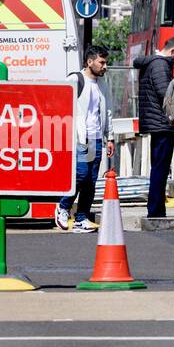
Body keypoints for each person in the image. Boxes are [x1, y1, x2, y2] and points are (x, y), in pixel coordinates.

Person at [56, 46, 112, 233]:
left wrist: (109, 137)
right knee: (80, 176)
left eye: (106, 62)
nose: (105, 66)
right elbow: (60, 103)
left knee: (91, 181)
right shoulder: (75, 79)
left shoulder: (103, 84)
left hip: (96, 138)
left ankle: (81, 218)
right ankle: (63, 207)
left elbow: (108, 111)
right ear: (89, 62)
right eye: (101, 62)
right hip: (80, 138)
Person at [133, 37, 174, 218]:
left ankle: (156, 208)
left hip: (155, 122)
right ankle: (156, 210)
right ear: (173, 52)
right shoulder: (161, 65)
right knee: (160, 169)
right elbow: (165, 93)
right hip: (162, 124)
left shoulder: (151, 64)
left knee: (158, 167)